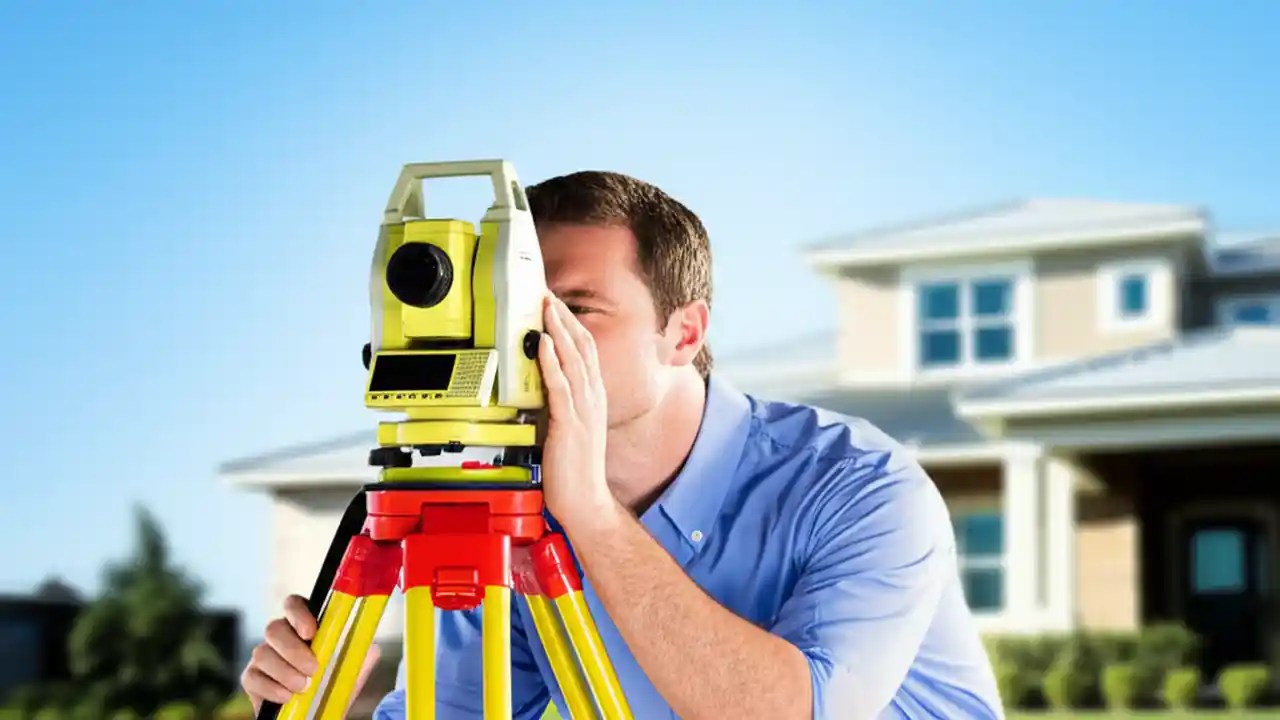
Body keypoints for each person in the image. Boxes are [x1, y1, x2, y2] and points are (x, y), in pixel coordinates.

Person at [240, 170, 1004, 719]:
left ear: (686, 333)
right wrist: (320, 704)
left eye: (575, 310)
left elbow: (790, 713)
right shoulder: (509, 515)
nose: (533, 344)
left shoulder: (862, 489)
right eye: (515, 313)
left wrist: (595, 519)